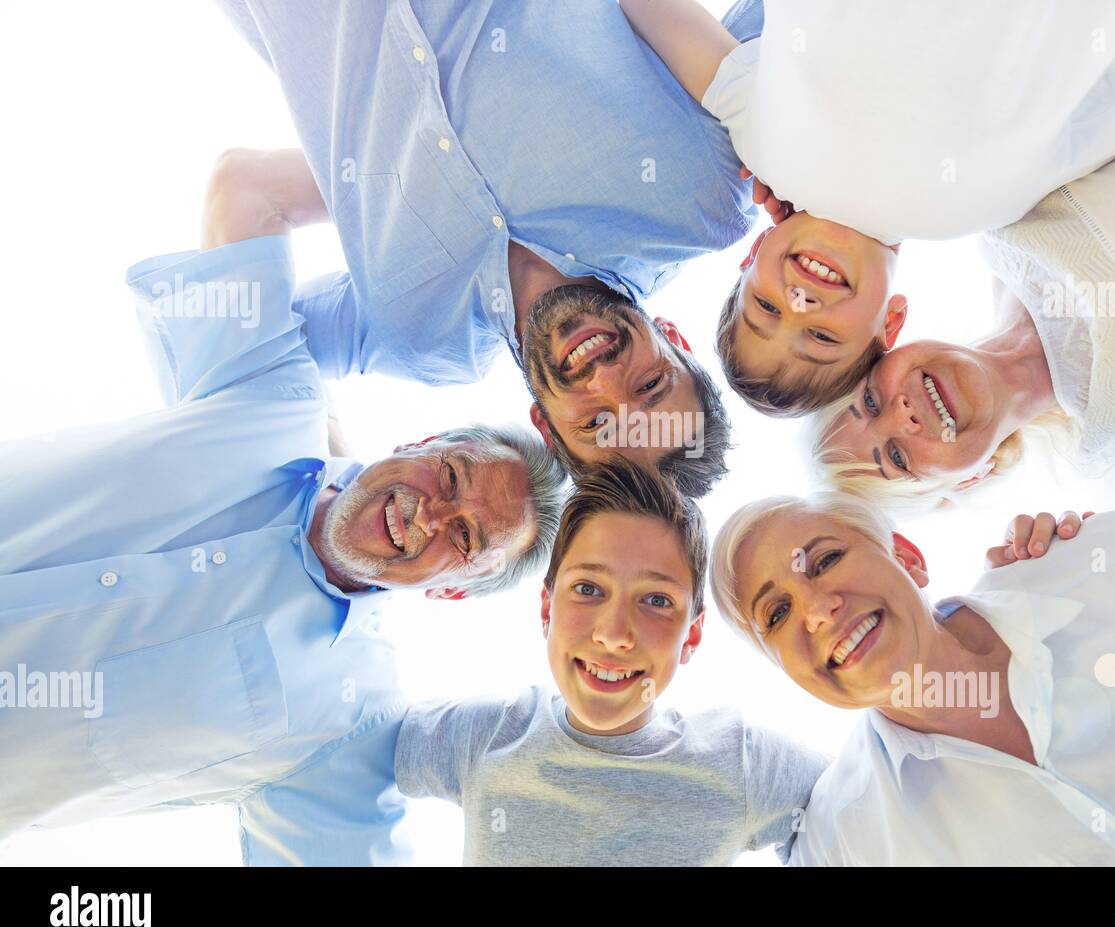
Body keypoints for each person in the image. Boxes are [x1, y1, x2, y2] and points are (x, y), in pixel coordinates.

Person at [0, 151, 566, 863]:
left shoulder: (343, 724)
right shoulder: (275, 398)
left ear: (450, 589)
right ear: (424, 440)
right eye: (449, 477)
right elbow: (246, 190)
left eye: (464, 538)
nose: (428, 515)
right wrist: (490, 227)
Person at [623, 0, 1115, 416]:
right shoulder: (998, 207)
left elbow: (652, 10)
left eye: (766, 307)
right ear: (891, 319)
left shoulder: (760, 137)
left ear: (753, 254)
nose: (799, 306)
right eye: (822, 337)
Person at [210, 0, 763, 494]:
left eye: (596, 423)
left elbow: (253, 359)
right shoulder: (704, 195)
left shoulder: (421, 337)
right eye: (650, 385)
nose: (606, 380)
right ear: (674, 339)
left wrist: (333, 493)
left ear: (544, 424)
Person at [812, 24, 1115, 508]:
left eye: (871, 401)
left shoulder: (1008, 214)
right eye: (897, 457)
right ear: (969, 480)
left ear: (888, 344)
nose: (903, 418)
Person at [710, 485, 1115, 865]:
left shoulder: (1092, 568)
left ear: (908, 556)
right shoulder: (847, 844)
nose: (817, 610)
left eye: (827, 559)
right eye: (777, 614)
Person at [395, 461, 829, 865]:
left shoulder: (742, 764)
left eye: (656, 601)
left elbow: (877, 809)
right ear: (547, 610)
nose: (615, 634)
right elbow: (336, 744)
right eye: (588, 589)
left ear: (691, 635)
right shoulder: (479, 737)